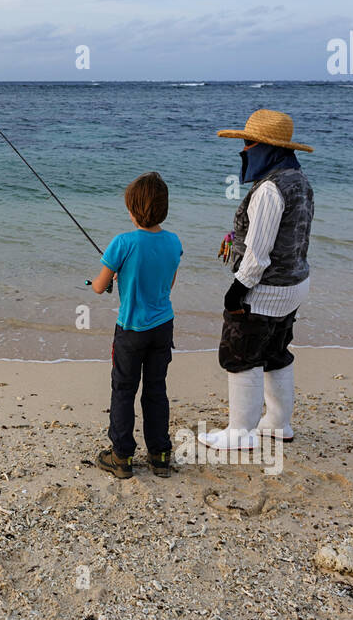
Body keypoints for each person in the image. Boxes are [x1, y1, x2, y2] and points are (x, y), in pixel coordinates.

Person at [200, 109, 313, 451]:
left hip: (266, 290)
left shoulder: (268, 190)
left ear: (265, 148)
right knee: (276, 353)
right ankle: (278, 424)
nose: (244, 150)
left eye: (249, 143)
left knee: (240, 356)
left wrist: (237, 291)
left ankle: (240, 432)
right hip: (295, 284)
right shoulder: (299, 179)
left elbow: (258, 254)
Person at [90, 172, 182, 478]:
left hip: (130, 330)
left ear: (131, 210)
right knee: (156, 390)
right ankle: (159, 455)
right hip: (162, 327)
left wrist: (111, 279)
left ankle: (122, 457)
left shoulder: (122, 243)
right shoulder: (173, 242)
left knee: (124, 389)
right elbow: (167, 284)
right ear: (164, 208)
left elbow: (99, 286)